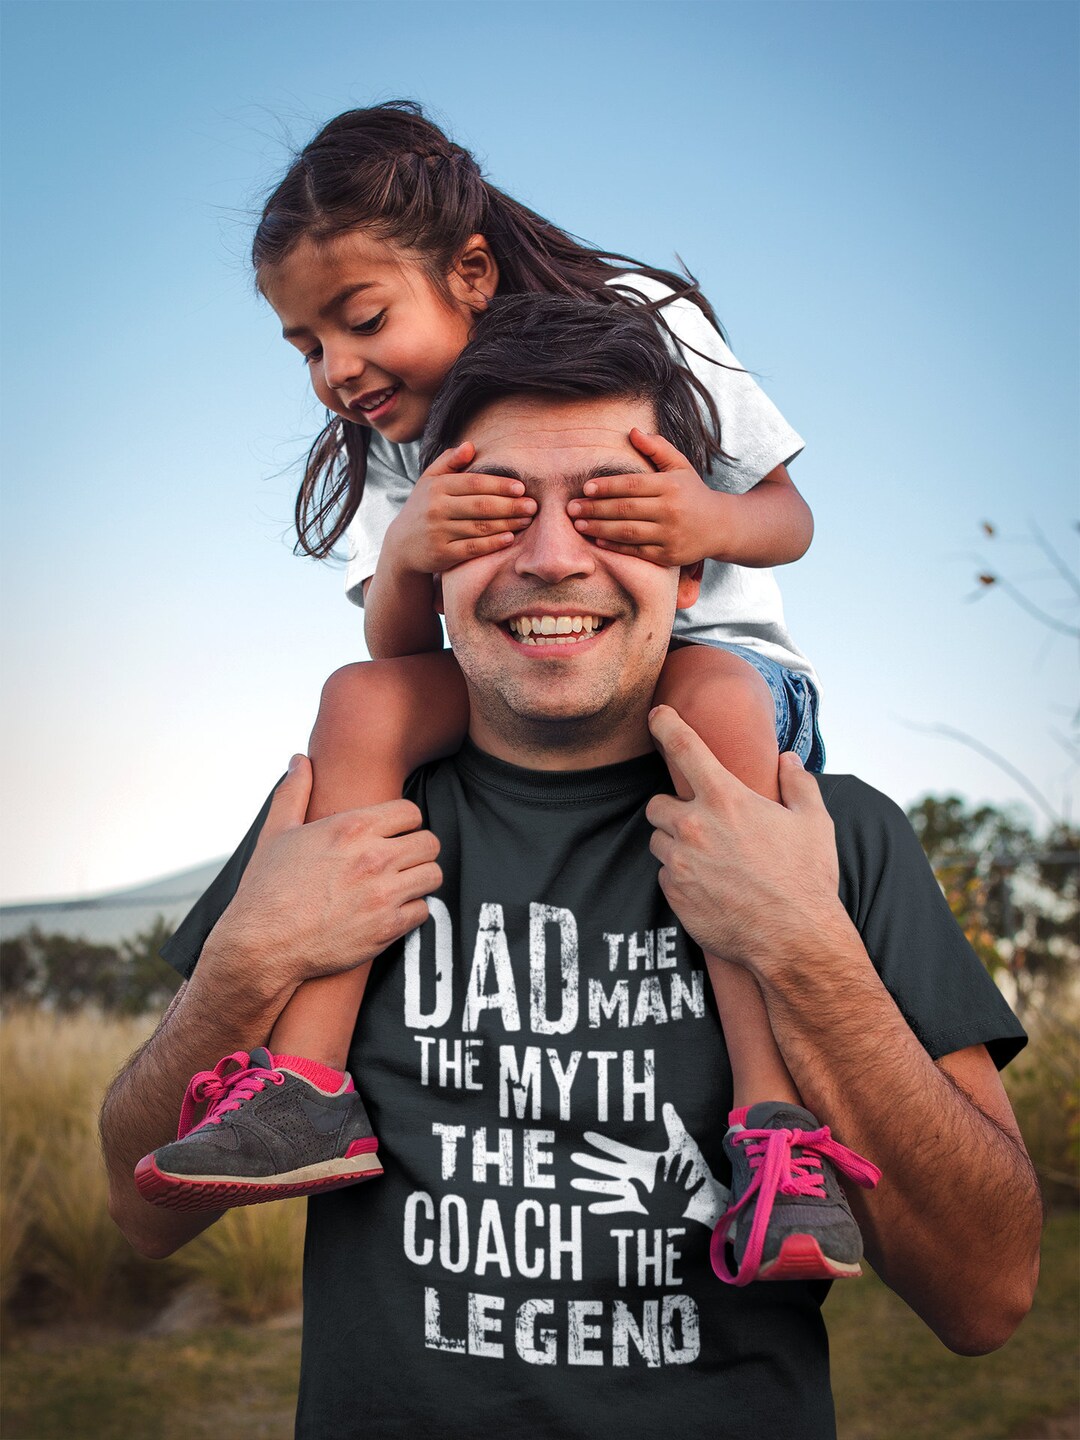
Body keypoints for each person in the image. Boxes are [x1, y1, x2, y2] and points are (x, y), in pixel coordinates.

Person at [101, 297, 1040, 1440]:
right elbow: (138, 1214)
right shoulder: (337, 823)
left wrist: (805, 945)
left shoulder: (833, 837)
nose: (551, 559)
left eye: (611, 510)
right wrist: (244, 964)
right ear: (431, 565)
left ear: (694, 571)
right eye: (496, 512)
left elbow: (989, 1298)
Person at [132, 106, 847, 1282]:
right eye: (305, 346)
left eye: (359, 322)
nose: (338, 369)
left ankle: (777, 1139)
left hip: (717, 668)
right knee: (358, 698)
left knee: (710, 689)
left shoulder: (639, 319)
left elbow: (789, 516)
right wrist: (411, 545)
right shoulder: (397, 442)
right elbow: (403, 643)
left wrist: (701, 523)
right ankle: (305, 1091)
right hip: (524, 672)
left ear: (468, 270)